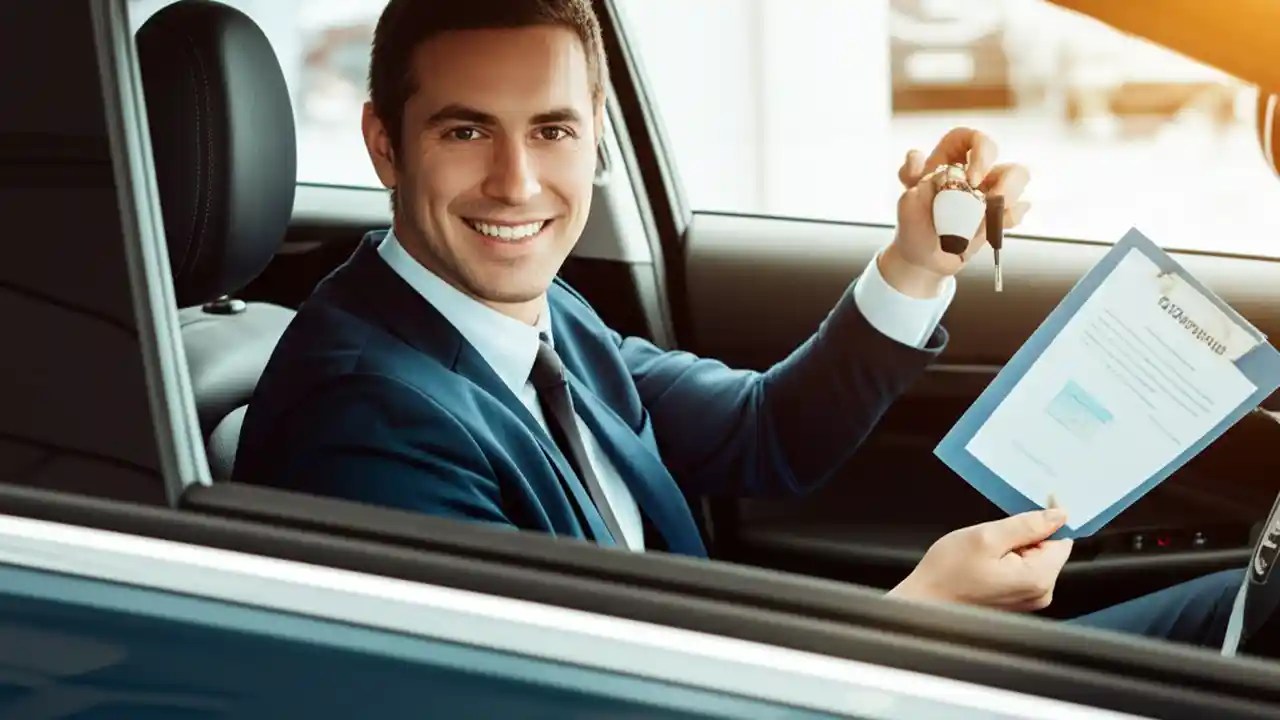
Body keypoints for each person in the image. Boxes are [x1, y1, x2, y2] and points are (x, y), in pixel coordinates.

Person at [234, 0, 1246, 649]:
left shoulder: (542, 322)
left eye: (551, 130)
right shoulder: (363, 415)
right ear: (383, 142)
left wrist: (915, 258)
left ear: (593, 142)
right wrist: (911, 623)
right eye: (465, 131)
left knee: (1252, 608)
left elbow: (767, 431)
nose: (516, 181)